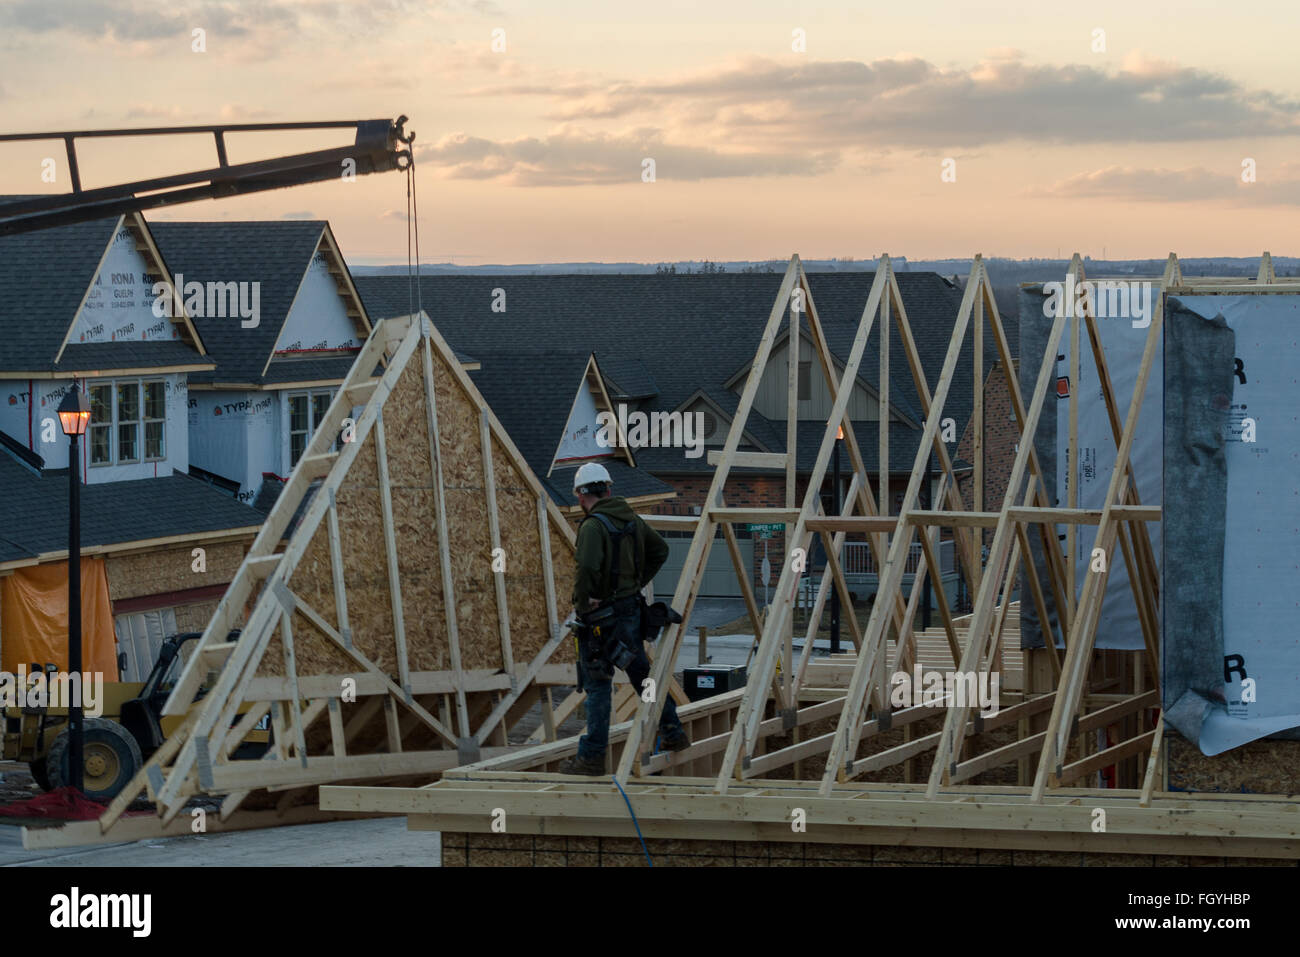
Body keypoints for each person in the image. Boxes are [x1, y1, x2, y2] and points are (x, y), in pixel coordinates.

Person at [559, 462, 690, 775]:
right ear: (608, 489)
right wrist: (633, 584)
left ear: (580, 495)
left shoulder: (592, 527)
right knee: (642, 675)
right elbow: (660, 550)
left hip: (602, 618)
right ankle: (673, 731)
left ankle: (591, 758)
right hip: (630, 612)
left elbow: (587, 570)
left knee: (598, 684)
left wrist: (583, 604)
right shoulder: (630, 519)